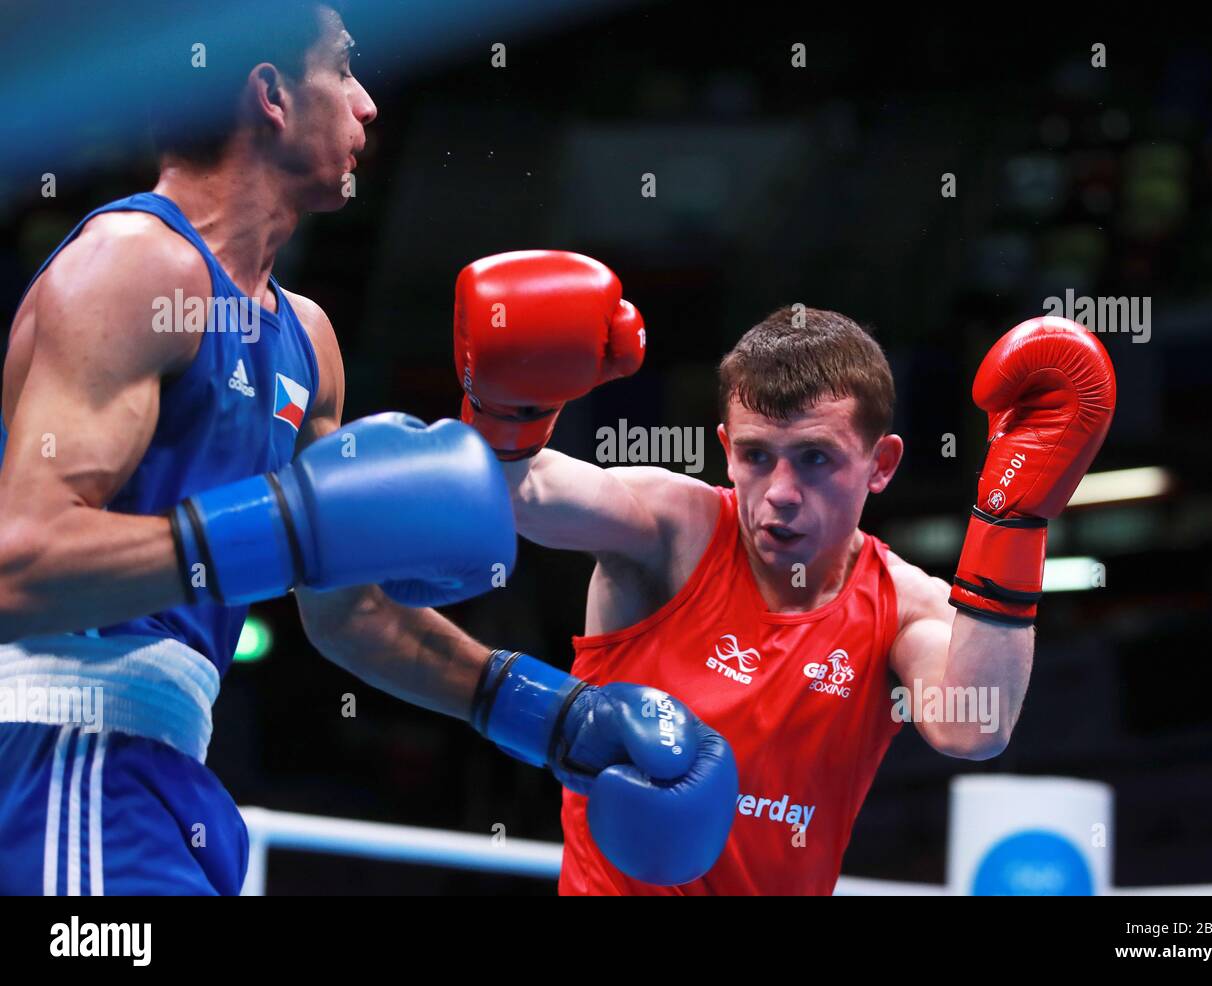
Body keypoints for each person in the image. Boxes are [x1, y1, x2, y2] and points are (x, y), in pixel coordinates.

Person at [0, 3, 735, 896]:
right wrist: (282, 529)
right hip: (63, 756)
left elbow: (349, 611)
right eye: (343, 71)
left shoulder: (307, 340)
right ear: (270, 95)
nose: (369, 103)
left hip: (164, 776)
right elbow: (19, 567)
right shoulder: (136, 265)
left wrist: (555, 714)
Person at [454, 249, 1117, 894]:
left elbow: (975, 728)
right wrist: (508, 412)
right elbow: (515, 492)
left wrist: (1014, 517)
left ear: (881, 464)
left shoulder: (901, 603)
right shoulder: (669, 531)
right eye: (756, 455)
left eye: (815, 459)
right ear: (725, 449)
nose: (780, 492)